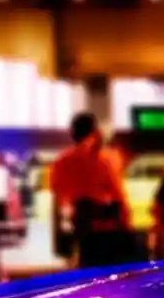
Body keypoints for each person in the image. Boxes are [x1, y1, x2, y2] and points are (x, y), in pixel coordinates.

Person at [49, 112, 137, 267]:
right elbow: (118, 193)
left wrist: (60, 237)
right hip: (108, 228)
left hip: (82, 227)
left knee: (88, 273)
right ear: (95, 132)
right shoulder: (107, 158)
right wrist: (127, 222)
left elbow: (58, 199)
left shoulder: (61, 162)